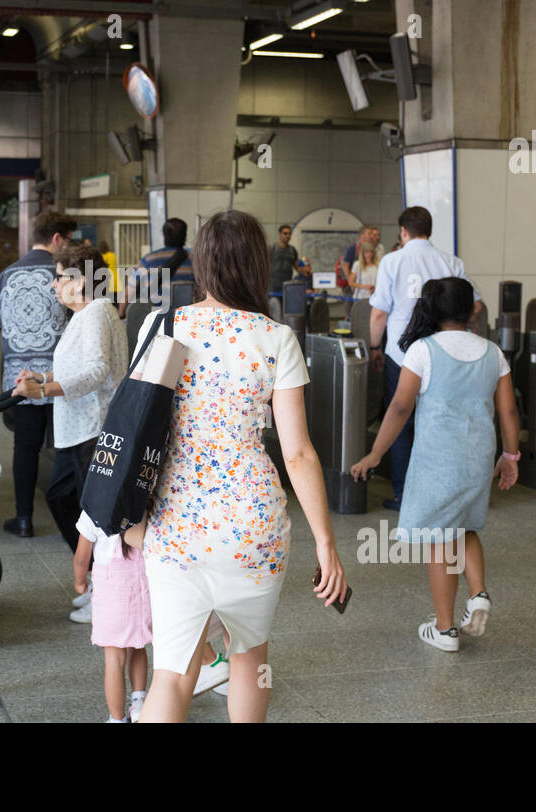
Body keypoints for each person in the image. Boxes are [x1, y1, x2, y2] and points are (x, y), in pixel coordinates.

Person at [129, 210, 349, 723]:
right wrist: (326, 542)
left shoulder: (165, 327)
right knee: (251, 659)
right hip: (254, 528)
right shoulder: (275, 339)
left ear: (202, 264)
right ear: (256, 266)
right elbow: (297, 453)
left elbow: (137, 426)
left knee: (174, 673)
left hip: (177, 523)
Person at [351, 277, 519, 651]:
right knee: (466, 527)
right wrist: (510, 456)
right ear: (472, 309)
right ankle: (478, 594)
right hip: (478, 457)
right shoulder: (493, 352)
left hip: (437, 462)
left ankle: (444, 630)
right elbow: (508, 409)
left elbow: (399, 407)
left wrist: (375, 454)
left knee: (440, 543)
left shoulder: (422, 350)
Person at [12, 242, 127, 597]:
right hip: (78, 429)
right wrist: (43, 377)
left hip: (92, 428)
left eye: (59, 277)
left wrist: (45, 391)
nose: (53, 285)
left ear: (78, 281)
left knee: (92, 513)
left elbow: (96, 371)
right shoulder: (87, 314)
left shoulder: (95, 312)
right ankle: (97, 585)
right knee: (65, 499)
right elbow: (81, 368)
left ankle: (102, 589)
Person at [368, 206, 480, 511]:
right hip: (446, 354)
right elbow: (476, 306)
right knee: (443, 419)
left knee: (400, 418)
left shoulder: (392, 261)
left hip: (401, 355)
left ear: (404, 231)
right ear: (429, 230)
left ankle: (405, 493)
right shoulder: (451, 262)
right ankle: (447, 492)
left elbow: (379, 312)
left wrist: (375, 348)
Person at [0, 211, 75, 537]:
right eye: (68, 239)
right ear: (57, 238)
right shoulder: (67, 274)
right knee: (68, 445)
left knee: (26, 447)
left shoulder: (7, 274)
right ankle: (76, 521)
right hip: (61, 374)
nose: (70, 246)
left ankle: (24, 519)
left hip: (21, 377)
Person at [74, 510, 150, 723]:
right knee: (138, 646)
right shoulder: (142, 503)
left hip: (112, 590)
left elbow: (82, 557)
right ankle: (139, 702)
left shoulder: (94, 509)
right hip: (141, 586)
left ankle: (117, 718)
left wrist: (80, 581)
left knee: (114, 658)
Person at [123, 217, 193, 317]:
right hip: (186, 318)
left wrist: (121, 314)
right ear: (185, 236)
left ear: (164, 236)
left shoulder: (148, 260)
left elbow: (128, 292)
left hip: (155, 319)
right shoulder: (195, 260)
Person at [268, 224, 310, 295]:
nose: (288, 236)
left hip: (287, 285)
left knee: (286, 305)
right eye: (285, 233)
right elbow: (264, 266)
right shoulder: (272, 248)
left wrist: (307, 269)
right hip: (273, 285)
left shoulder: (293, 250)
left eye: (289, 233)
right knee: (274, 305)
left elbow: (297, 268)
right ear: (280, 234)